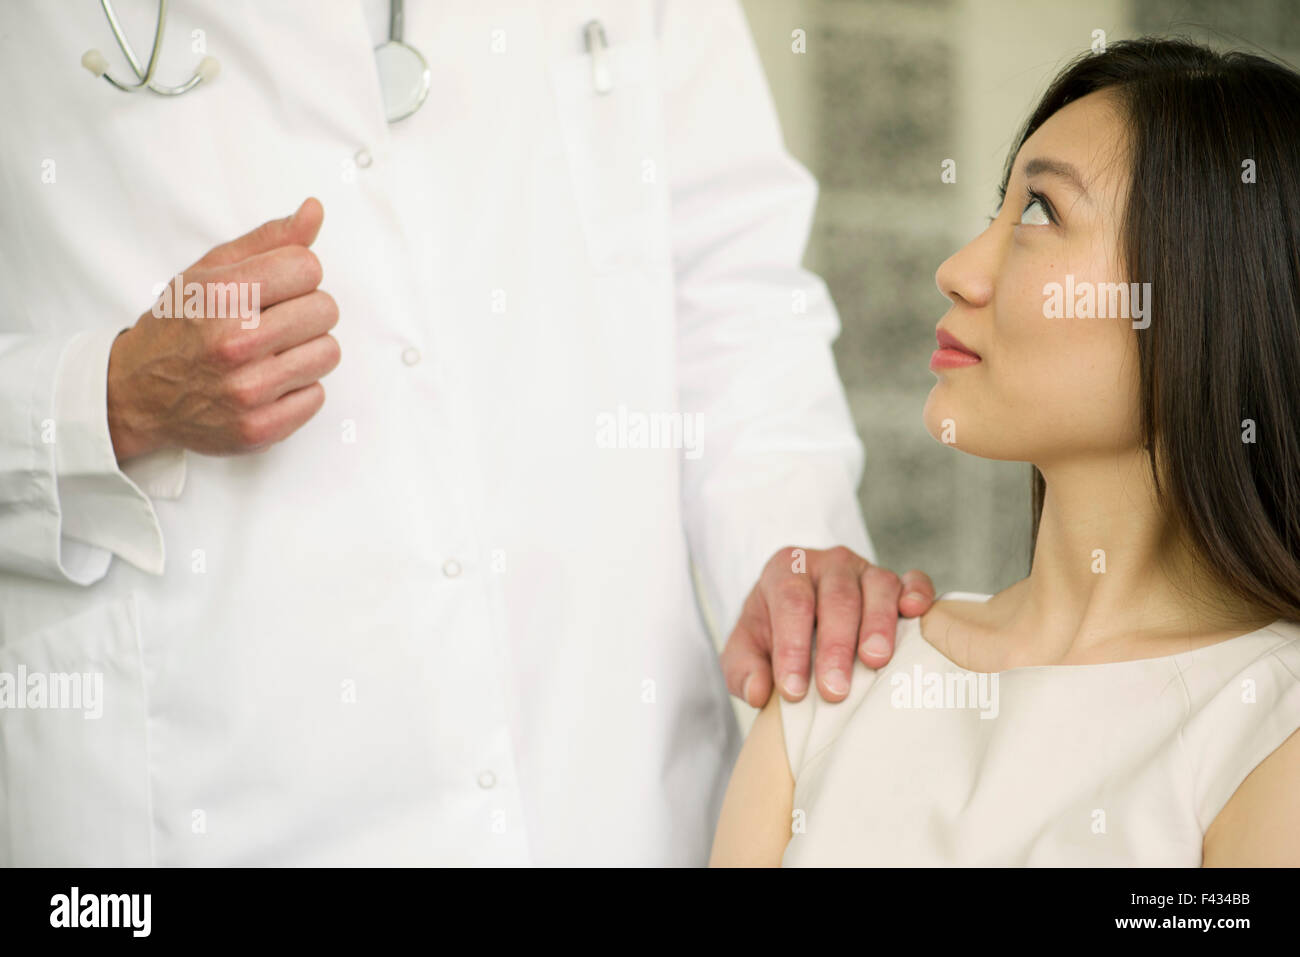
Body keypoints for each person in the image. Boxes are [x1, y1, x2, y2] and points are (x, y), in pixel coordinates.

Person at [0, 1, 926, 866]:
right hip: (218, 792)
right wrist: (107, 398)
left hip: (611, 789)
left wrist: (795, 565)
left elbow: (732, 283)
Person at [710, 38, 1300, 867]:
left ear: (1205, 299)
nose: (957, 271)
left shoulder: (1271, 728)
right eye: (999, 208)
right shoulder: (833, 694)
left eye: (1038, 213)